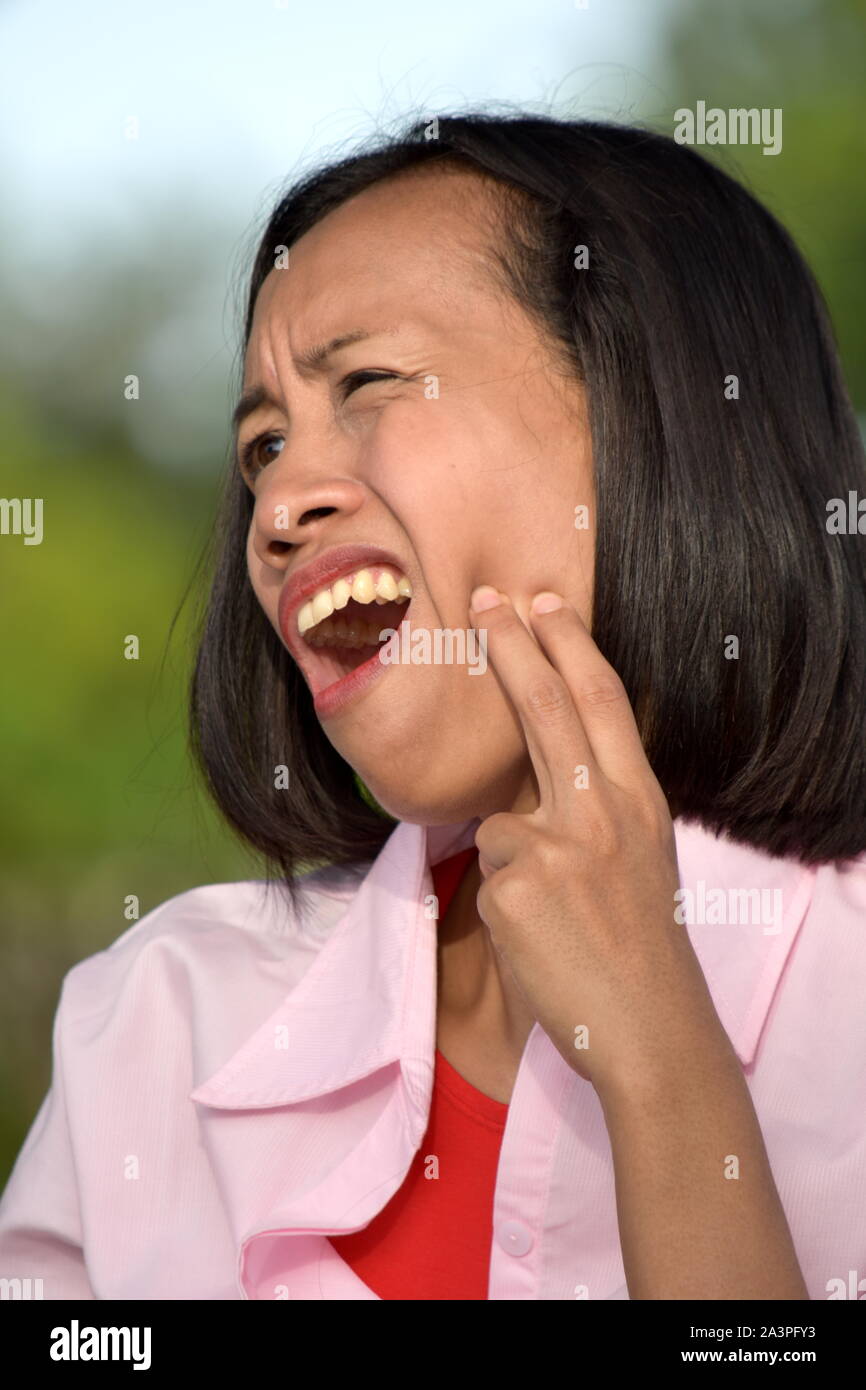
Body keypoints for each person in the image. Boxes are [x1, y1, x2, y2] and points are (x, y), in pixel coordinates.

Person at [2, 111, 866, 1301]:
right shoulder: (159, 1015)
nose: (277, 503)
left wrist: (663, 1063)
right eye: (259, 445)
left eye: (365, 382)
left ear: (650, 419)